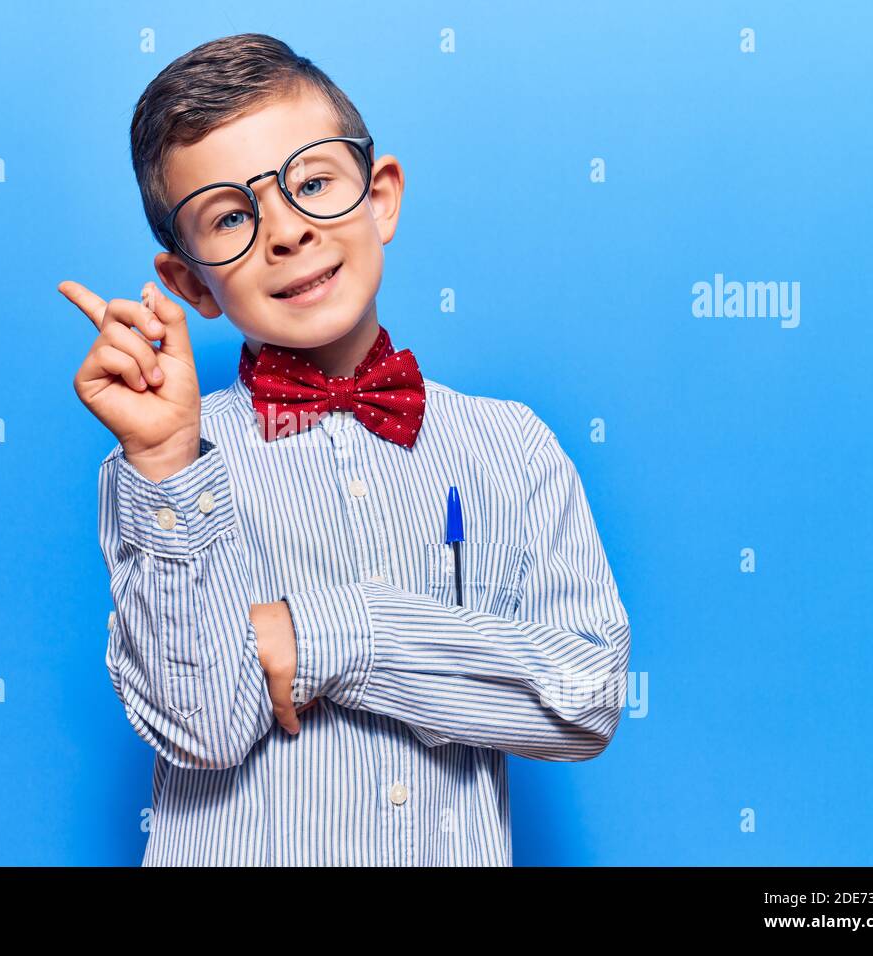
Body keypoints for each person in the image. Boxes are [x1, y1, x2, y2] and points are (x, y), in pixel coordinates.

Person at [59, 33, 631, 866]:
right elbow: (201, 723)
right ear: (189, 286)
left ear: (382, 196)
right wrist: (166, 463)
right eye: (230, 217)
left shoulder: (512, 447)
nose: (286, 232)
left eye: (314, 182)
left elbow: (585, 697)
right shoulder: (157, 471)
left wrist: (338, 632)